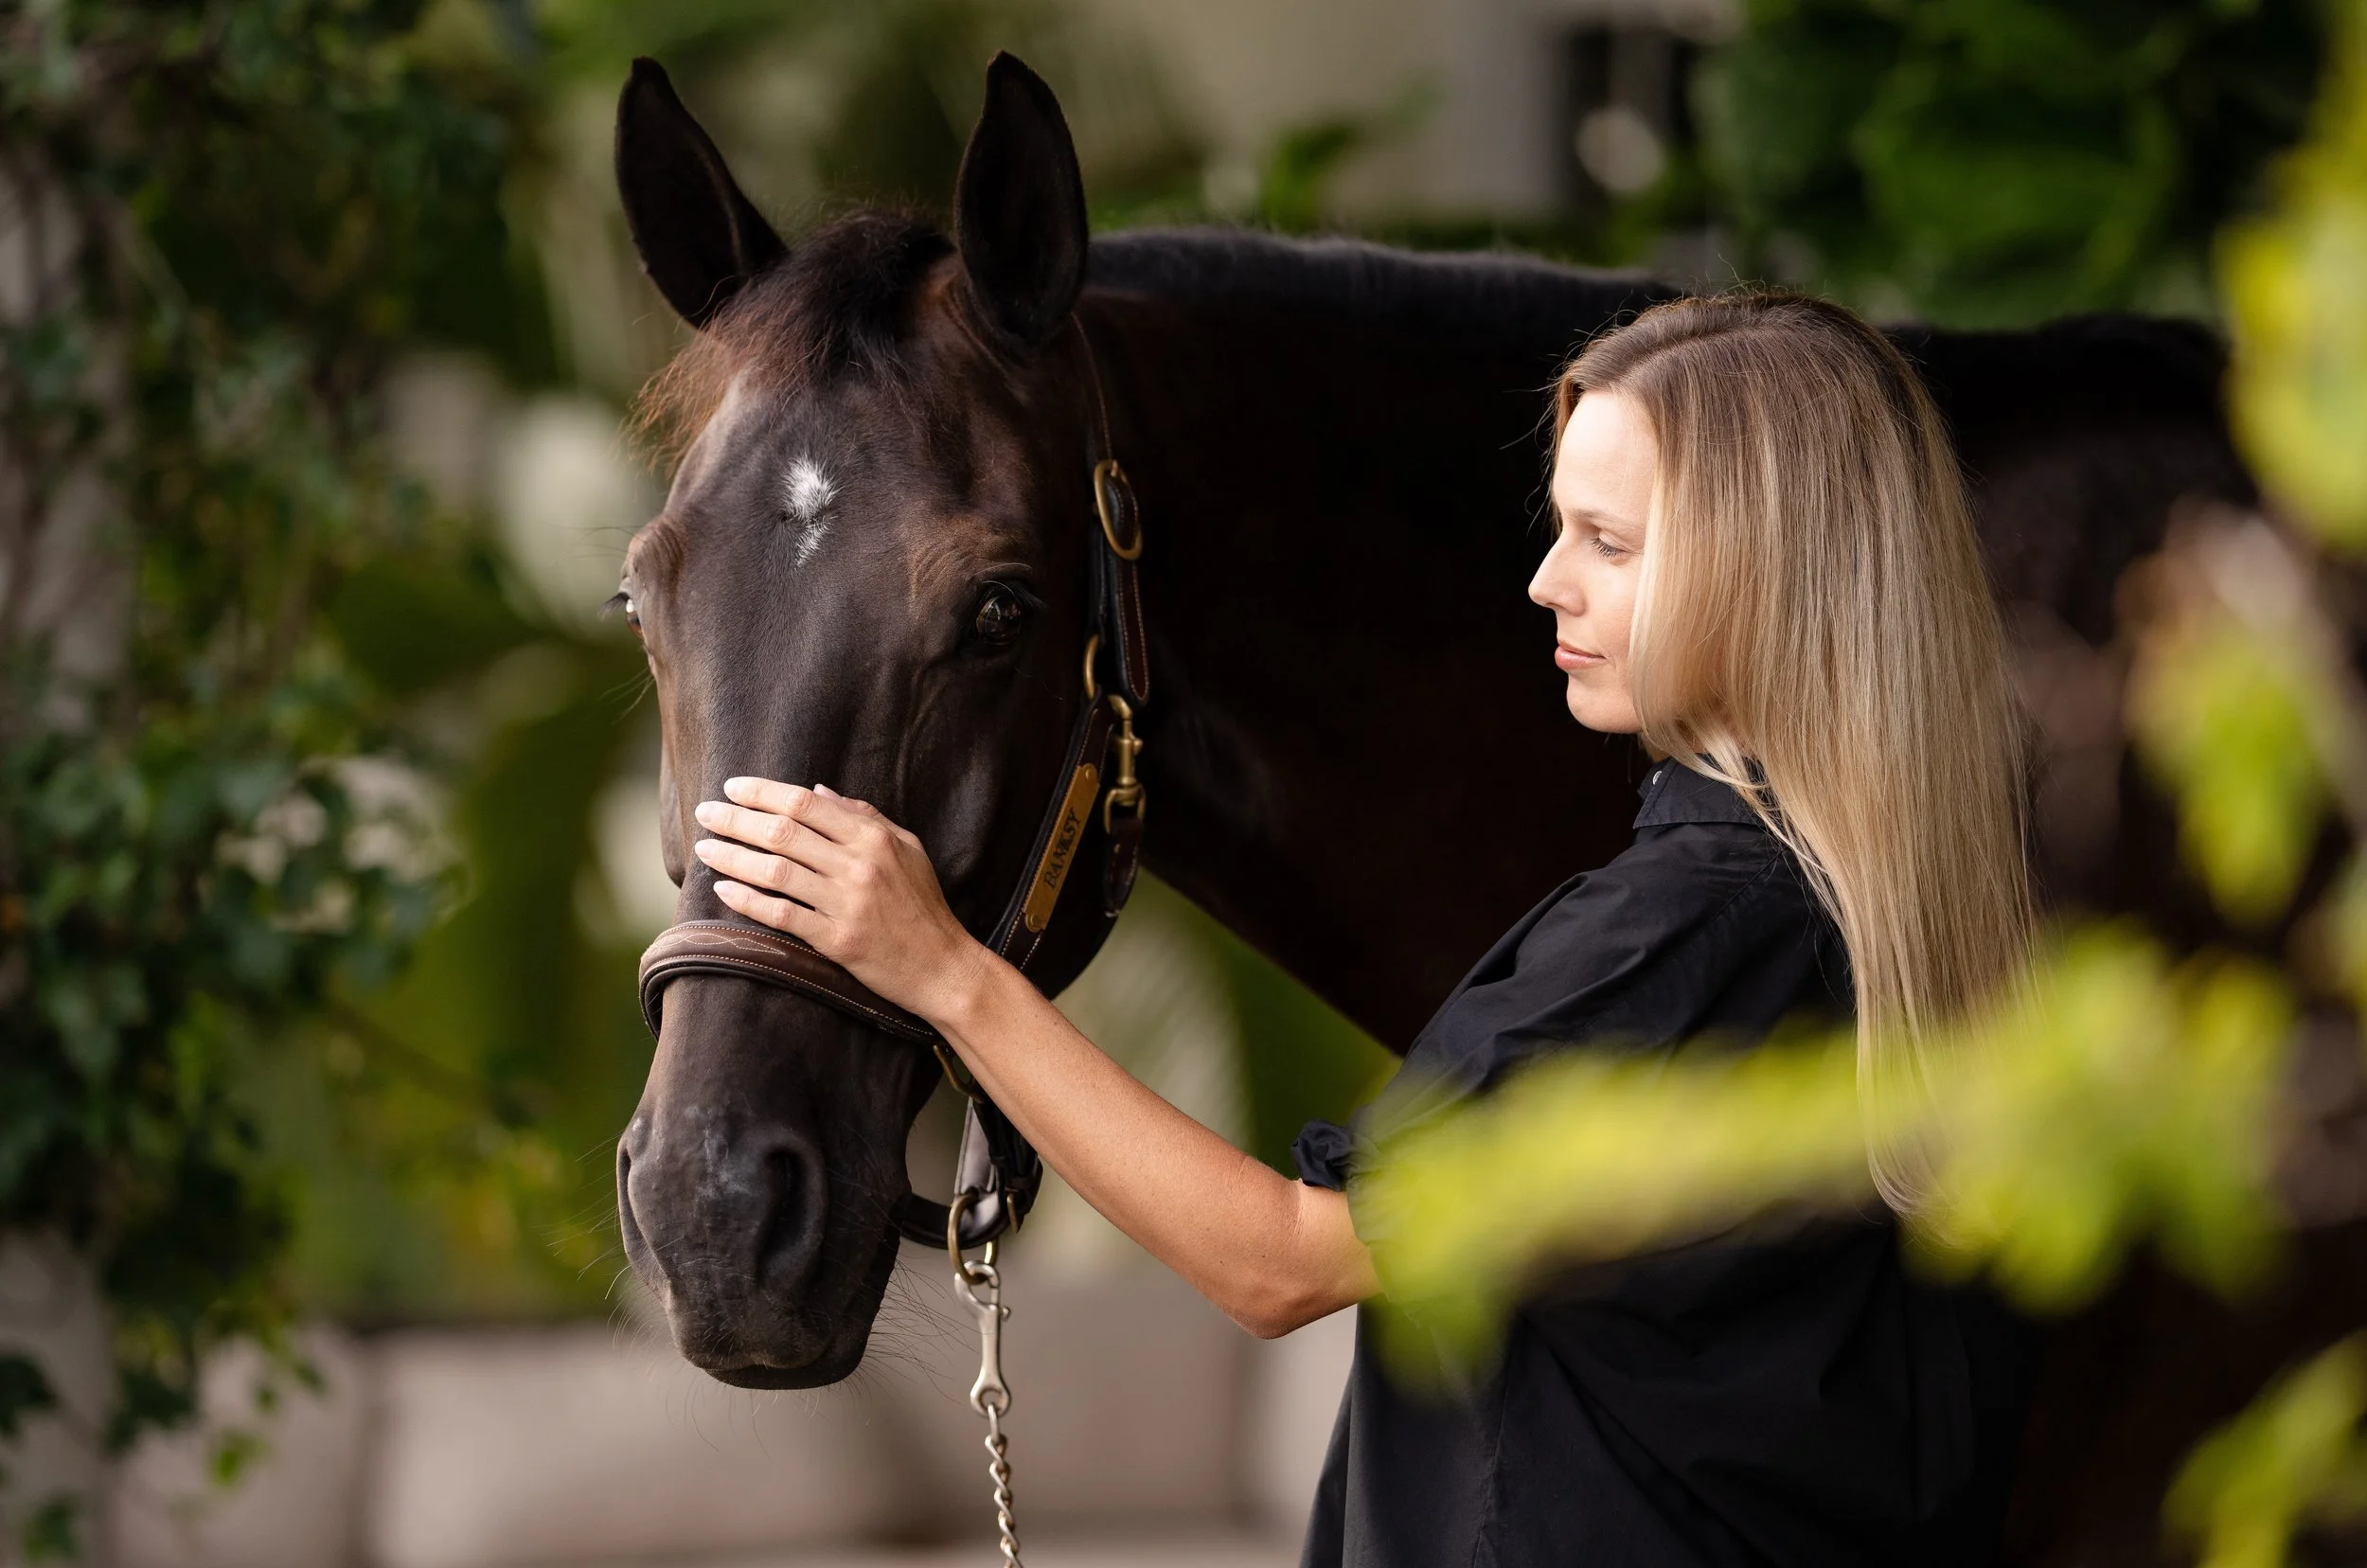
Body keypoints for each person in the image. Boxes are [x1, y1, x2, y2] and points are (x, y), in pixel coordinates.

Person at [685, 292, 2037, 1566]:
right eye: (1559, 528)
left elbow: (1284, 1261)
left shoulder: (1672, 940)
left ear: (1774, 576)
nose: (1546, 586)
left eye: (1611, 545)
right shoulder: (1858, 917)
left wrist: (948, 976)